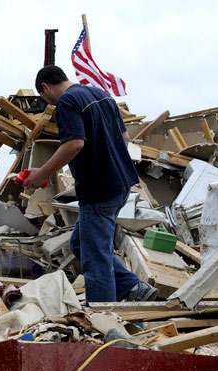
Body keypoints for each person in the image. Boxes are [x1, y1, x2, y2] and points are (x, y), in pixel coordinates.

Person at [24, 65, 157, 303]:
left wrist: (42, 173)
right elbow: (125, 138)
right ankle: (133, 287)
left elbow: (74, 143)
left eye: (46, 100)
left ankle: (102, 313)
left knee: (95, 258)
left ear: (45, 87)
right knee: (80, 243)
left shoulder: (67, 101)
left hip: (99, 189)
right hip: (120, 183)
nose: (50, 105)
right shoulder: (100, 94)